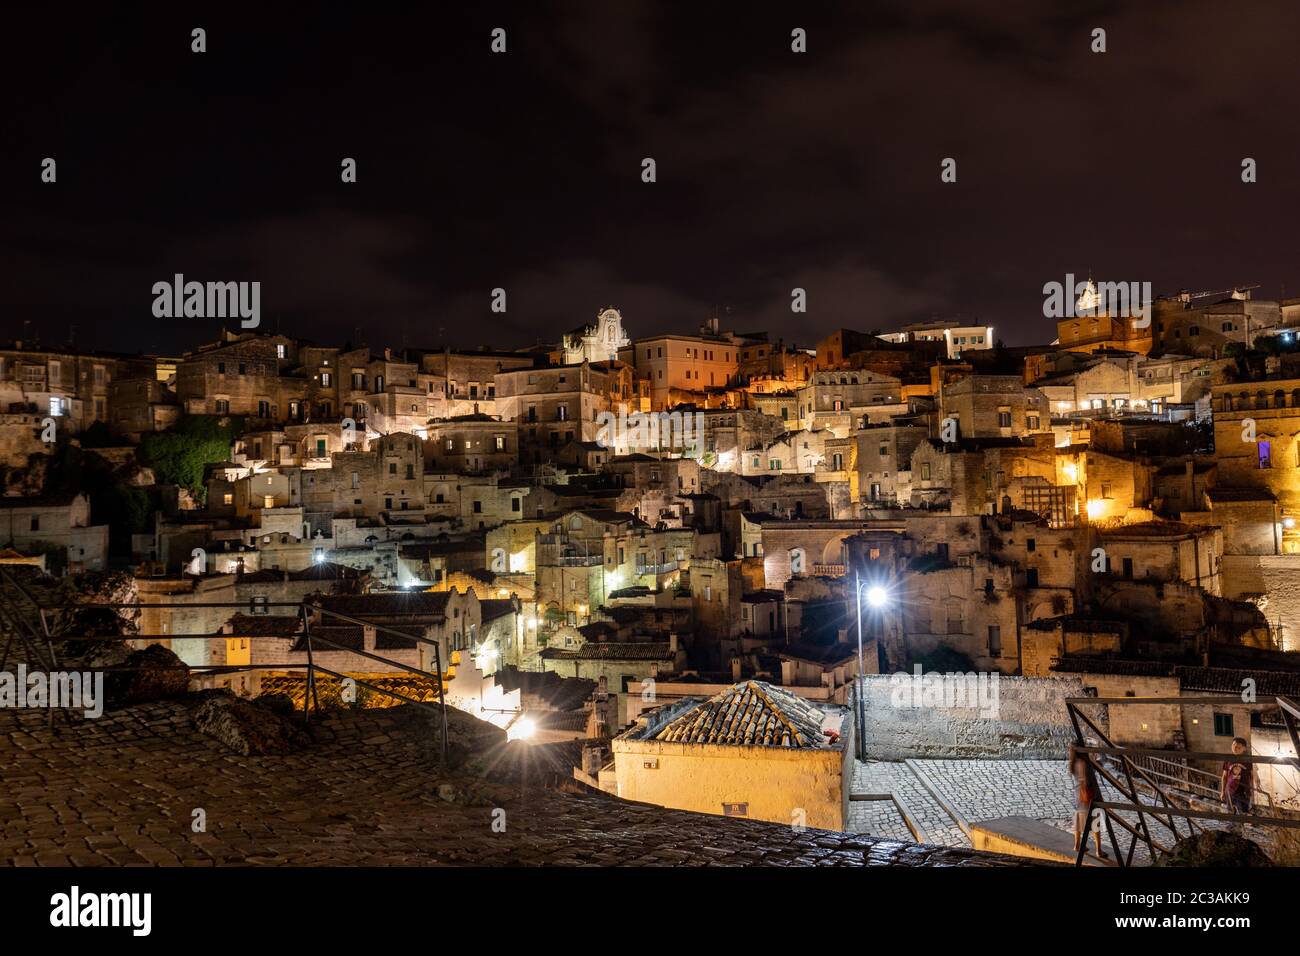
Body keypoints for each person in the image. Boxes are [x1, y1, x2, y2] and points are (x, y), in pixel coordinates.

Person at [1069, 743, 1106, 859]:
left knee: (1079, 820)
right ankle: (1099, 851)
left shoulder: (1073, 763)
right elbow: (1099, 766)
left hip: (1078, 794)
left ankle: (1077, 845)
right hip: (1088, 796)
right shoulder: (1085, 763)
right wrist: (1099, 756)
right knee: (1095, 821)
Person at [1220, 737, 1254, 820]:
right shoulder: (1228, 759)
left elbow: (1252, 776)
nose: (1235, 749)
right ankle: (1233, 829)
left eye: (1239, 747)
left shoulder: (1248, 760)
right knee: (1231, 812)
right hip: (1230, 790)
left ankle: (1242, 829)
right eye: (1234, 746)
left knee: (1243, 813)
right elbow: (1224, 776)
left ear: (1244, 748)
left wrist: (1252, 791)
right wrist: (1222, 791)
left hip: (1244, 791)